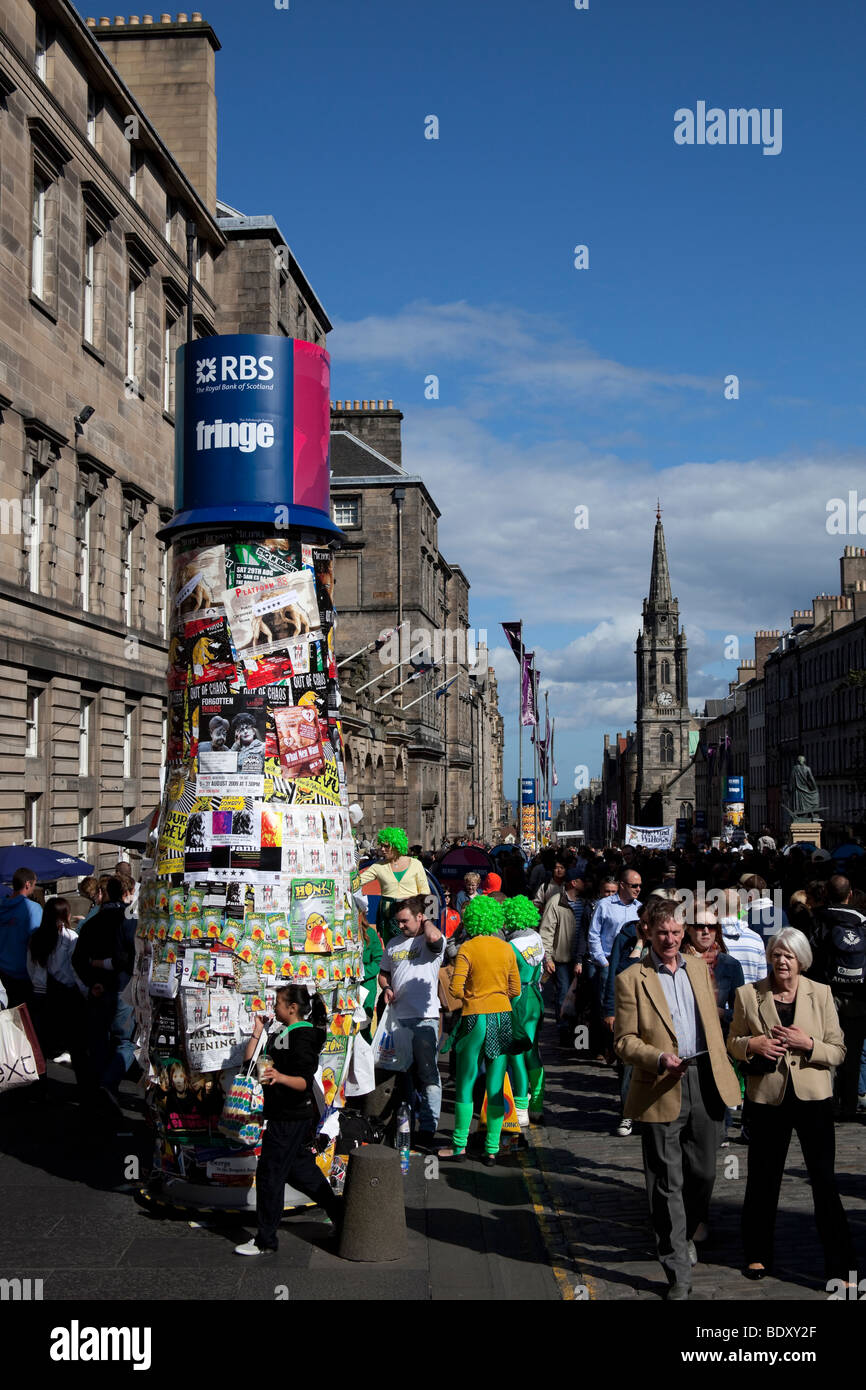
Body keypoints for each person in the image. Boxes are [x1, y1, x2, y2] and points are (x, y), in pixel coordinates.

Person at [614, 900, 740, 1299]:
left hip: (705, 1080)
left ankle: (685, 1229)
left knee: (703, 1173)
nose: (669, 939)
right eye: (661, 932)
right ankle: (676, 1266)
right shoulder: (632, 977)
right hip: (659, 1085)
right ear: (647, 931)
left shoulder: (700, 967)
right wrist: (658, 1058)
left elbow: (715, 1024)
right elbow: (624, 1042)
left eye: (675, 932)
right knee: (665, 1181)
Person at [728, 927, 856, 1284]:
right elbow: (732, 1041)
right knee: (763, 1180)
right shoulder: (748, 994)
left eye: (789, 955)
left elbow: (838, 1051)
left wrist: (809, 1042)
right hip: (768, 1097)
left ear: (801, 961)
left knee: (824, 1183)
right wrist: (752, 1045)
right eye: (777, 954)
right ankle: (757, 1254)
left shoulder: (822, 993)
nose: (782, 961)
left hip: (813, 1099)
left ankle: (841, 1267)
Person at [234, 985, 343, 1255]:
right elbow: (251, 1066)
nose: (274, 1007)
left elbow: (304, 1081)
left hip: (290, 1116)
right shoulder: (280, 1033)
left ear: (292, 1008)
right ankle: (342, 1213)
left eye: (279, 1003)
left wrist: (280, 1077)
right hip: (284, 1114)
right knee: (299, 1172)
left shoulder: (303, 1036)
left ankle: (265, 1240)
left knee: (270, 1175)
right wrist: (258, 1032)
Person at [438, 895, 521, 1164]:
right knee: (495, 1084)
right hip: (502, 1017)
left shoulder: (468, 948)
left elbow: (455, 989)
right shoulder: (507, 949)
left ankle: (459, 1145)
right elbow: (515, 990)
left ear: (471, 919)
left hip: (474, 1017)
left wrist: (472, 996)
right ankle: (492, 1149)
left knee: (465, 1081)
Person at [603, 888, 679, 1137]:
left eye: (650, 924)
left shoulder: (667, 944)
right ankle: (627, 1113)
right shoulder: (627, 936)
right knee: (628, 1064)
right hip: (632, 1010)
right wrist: (610, 1009)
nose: (646, 928)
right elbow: (620, 973)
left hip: (662, 1013)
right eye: (643, 923)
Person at [377, 894, 444, 1149]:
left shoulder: (430, 940)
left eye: (405, 921)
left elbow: (435, 938)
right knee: (402, 1076)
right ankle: (405, 1127)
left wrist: (426, 920)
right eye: (398, 922)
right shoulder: (393, 944)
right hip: (398, 1020)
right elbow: (384, 974)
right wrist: (386, 987)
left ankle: (428, 1129)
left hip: (425, 1018)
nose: (400, 926)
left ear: (420, 917)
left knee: (428, 1075)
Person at [808, 874, 866, 1122]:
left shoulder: (818, 919)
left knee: (827, 1049)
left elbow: (808, 955)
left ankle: (828, 1102)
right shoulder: (862, 921)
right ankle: (850, 1105)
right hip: (858, 995)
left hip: (825, 994)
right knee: (852, 1052)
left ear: (825, 894)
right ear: (849, 894)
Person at [26, 897, 88, 1073]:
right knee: (73, 1041)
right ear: (66, 915)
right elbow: (75, 969)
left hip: (39, 993)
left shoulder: (35, 937)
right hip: (63, 994)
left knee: (40, 1043)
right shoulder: (70, 937)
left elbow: (29, 966)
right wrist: (84, 991)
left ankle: (40, 1085)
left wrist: (36, 982)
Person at [588, 868, 642, 1059]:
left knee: (628, 1003)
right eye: (634, 886)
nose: (638, 889)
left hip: (632, 962)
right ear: (622, 885)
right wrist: (603, 962)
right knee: (607, 1004)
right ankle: (607, 1046)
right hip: (609, 960)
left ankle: (622, 1044)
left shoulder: (639, 908)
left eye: (640, 886)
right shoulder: (604, 905)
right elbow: (594, 934)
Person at [503, 896, 546, 1126]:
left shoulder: (511, 946)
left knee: (516, 1053)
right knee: (533, 1052)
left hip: (518, 1001)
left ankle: (521, 1107)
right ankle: (537, 1104)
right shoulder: (536, 938)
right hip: (535, 999)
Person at [539, 869, 588, 1044]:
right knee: (564, 995)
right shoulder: (556, 902)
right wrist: (548, 958)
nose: (586, 883)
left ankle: (581, 1037)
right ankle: (565, 1031)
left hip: (583, 958)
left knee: (581, 997)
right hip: (562, 959)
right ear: (574, 882)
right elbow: (547, 931)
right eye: (583, 880)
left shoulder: (586, 902)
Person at [359, 827, 430, 942]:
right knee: (392, 949)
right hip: (388, 916)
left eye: (386, 846)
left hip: (412, 914)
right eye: (381, 845)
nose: (382, 849)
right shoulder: (378, 866)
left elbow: (425, 892)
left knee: (412, 948)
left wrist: (427, 918)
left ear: (397, 845)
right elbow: (358, 881)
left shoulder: (415, 864)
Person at [0, 866, 42, 1007]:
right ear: (28, 884)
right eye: (34, 884)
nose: (33, 888)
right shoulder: (33, 908)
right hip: (22, 974)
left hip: (2, 973)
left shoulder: (2, 905)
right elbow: (37, 941)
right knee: (22, 1021)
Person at [715, 887, 768, 984]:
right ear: (739, 909)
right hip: (748, 997)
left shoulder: (711, 939)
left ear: (716, 909)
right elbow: (762, 979)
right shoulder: (756, 939)